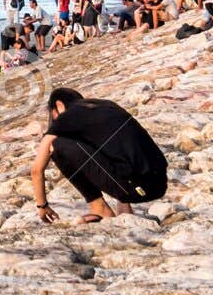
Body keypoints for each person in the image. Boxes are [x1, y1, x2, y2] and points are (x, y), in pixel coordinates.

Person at [32, 87, 167, 224]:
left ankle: (99, 208)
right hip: (159, 184)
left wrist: (42, 206)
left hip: (136, 189)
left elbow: (36, 169)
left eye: (53, 115)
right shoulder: (106, 105)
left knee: (57, 144)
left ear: (59, 105)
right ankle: (123, 206)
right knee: (101, 144)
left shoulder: (68, 116)